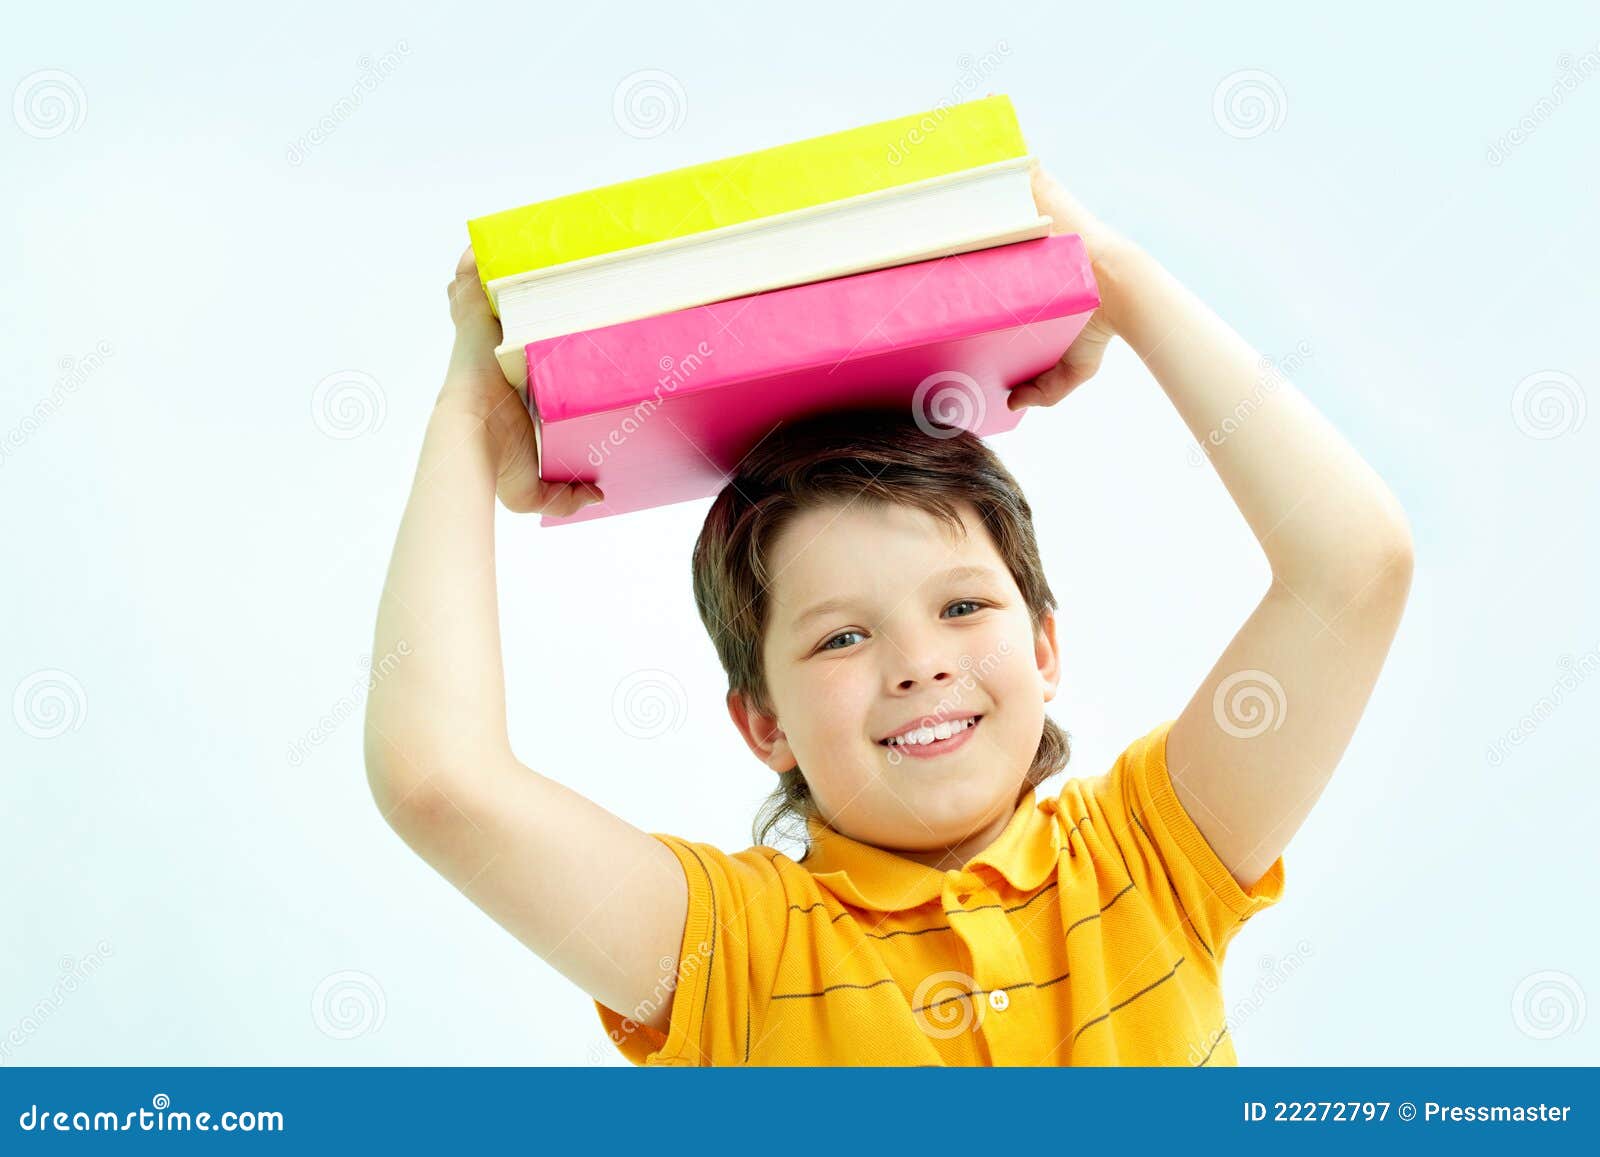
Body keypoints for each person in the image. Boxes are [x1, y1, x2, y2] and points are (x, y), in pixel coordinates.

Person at [362, 163, 1414, 1065]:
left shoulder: (1152, 851)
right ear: (761, 721)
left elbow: (1354, 567)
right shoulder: (733, 948)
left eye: (961, 605)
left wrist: (1116, 279)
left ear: (1043, 643)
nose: (918, 663)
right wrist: (467, 418)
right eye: (842, 636)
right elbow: (437, 780)